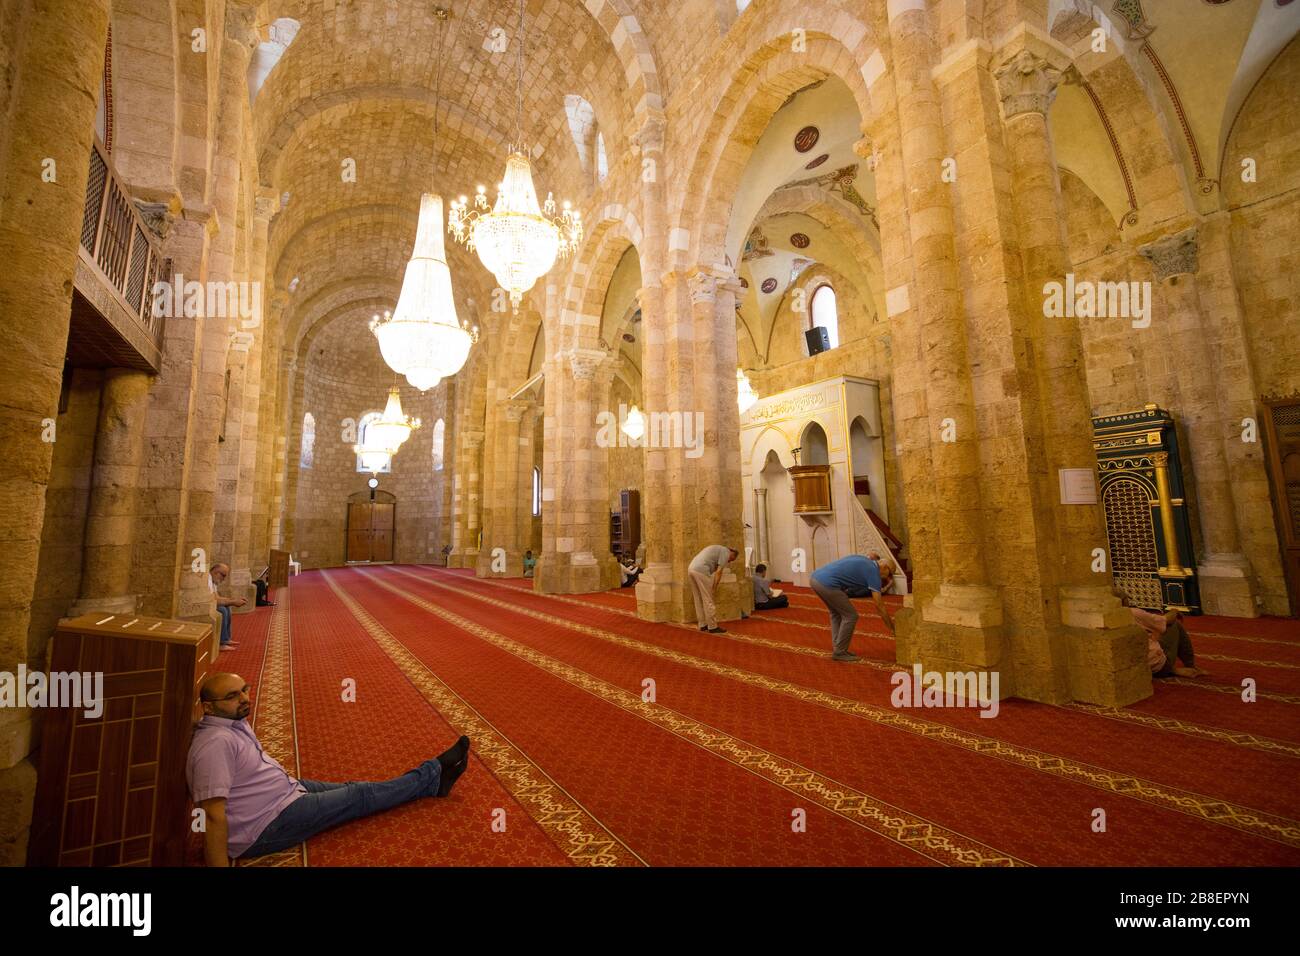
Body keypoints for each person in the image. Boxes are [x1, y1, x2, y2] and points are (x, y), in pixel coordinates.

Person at [188, 672, 472, 865]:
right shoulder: (215, 744)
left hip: (283, 792)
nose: (244, 698)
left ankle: (435, 783)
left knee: (353, 788)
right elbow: (212, 814)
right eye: (232, 696)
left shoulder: (232, 724)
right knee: (361, 796)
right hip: (265, 825)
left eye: (245, 690)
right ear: (210, 708)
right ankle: (433, 773)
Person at [809, 554, 896, 662]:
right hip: (828, 584)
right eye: (890, 574)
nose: (888, 578)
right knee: (851, 615)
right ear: (884, 567)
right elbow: (879, 605)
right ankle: (840, 652)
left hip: (815, 578)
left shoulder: (865, 560)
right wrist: (892, 627)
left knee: (836, 612)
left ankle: (838, 647)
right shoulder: (874, 572)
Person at [1114, 589, 1208, 679]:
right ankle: (1190, 665)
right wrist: (1174, 611)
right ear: (1123, 601)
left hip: (1127, 668)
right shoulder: (1132, 613)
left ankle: (1174, 670)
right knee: (1174, 624)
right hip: (1155, 665)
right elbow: (1167, 620)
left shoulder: (1104, 618)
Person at [688, 544, 737, 634]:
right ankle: (712, 626)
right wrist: (714, 587)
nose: (729, 561)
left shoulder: (717, 549)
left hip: (691, 568)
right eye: (731, 559)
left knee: (698, 598)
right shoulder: (725, 552)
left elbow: (713, 567)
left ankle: (702, 624)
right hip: (701, 570)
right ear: (732, 553)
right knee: (708, 599)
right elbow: (719, 572)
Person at [209, 563, 246, 651]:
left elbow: (217, 597)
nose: (224, 579)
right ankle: (221, 643)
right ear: (215, 572)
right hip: (202, 605)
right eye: (223, 575)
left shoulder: (213, 580)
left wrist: (233, 600)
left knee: (227, 607)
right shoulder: (208, 580)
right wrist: (233, 602)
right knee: (222, 610)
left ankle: (226, 639)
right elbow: (215, 600)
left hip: (210, 603)